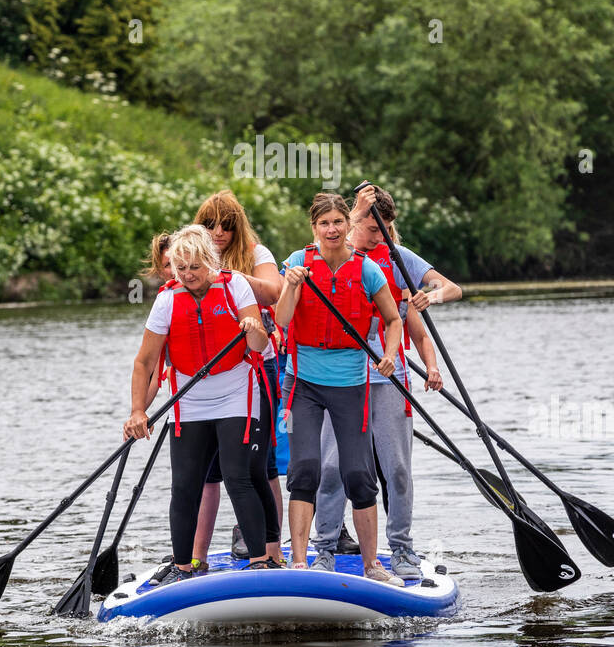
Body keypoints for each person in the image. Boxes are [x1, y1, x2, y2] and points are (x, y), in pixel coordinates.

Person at [313, 184, 462, 579]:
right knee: (332, 469)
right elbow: (328, 235)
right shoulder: (334, 251)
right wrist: (356, 211)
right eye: (369, 225)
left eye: (384, 227)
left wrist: (433, 298)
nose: (376, 233)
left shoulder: (396, 258)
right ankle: (324, 548)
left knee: (396, 469)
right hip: (339, 378)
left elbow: (452, 287)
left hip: (388, 378)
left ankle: (402, 550)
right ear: (353, 223)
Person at [124, 224, 281, 583]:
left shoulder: (234, 286)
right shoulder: (166, 299)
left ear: (209, 261)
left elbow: (258, 346)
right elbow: (144, 362)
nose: (188, 275)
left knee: (238, 477)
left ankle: (259, 561)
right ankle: (183, 568)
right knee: (185, 485)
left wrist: (251, 325)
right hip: (189, 401)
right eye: (181, 269)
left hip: (236, 393)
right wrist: (137, 411)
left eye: (195, 267)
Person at [275, 192, 405, 585]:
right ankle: (301, 561)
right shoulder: (297, 264)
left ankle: (372, 566)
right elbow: (281, 319)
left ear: (348, 225)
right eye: (323, 224)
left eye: (337, 222)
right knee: (304, 470)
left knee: (358, 474)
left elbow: (393, 319)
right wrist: (290, 286)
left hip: (352, 384)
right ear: (313, 228)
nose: (331, 229)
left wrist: (391, 355)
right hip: (302, 386)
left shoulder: (368, 271)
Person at [190, 192, 285, 568]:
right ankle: (195, 559)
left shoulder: (257, 255)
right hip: (205, 376)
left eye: (226, 225)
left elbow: (274, 291)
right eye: (210, 224)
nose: (218, 232)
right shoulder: (189, 258)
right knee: (206, 472)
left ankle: (272, 549)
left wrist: (221, 273)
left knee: (261, 465)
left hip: (258, 368)